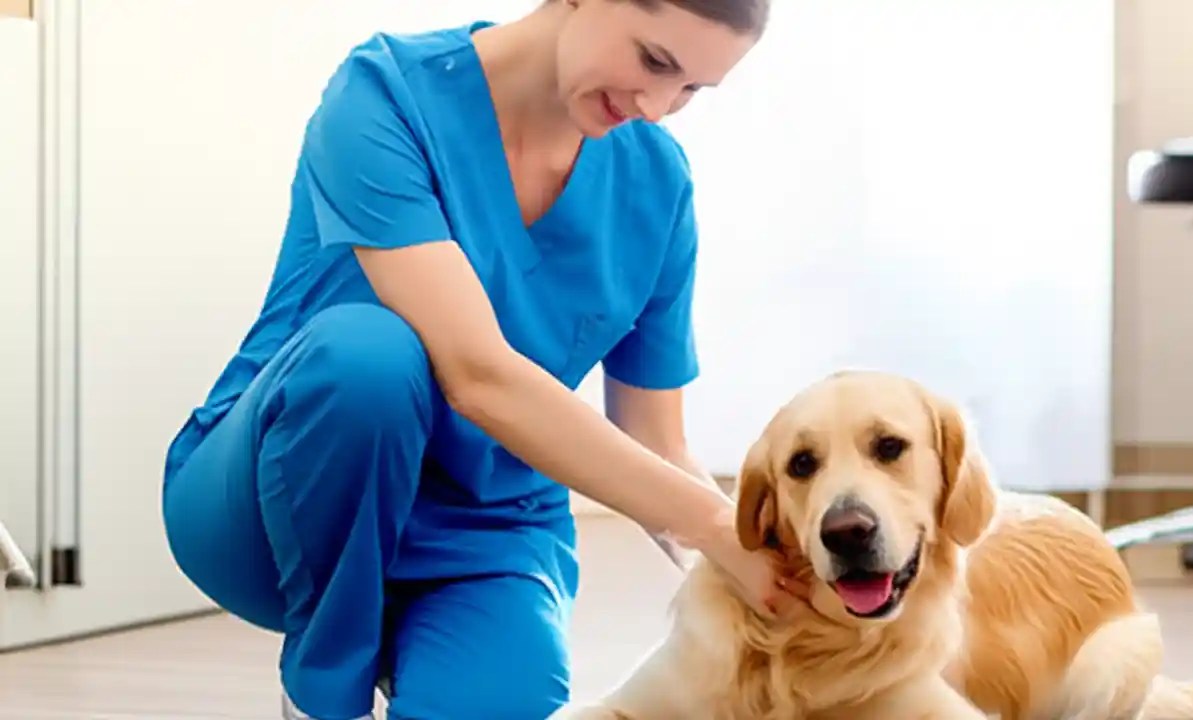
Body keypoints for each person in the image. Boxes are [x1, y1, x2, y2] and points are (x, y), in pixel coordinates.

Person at [160, 1, 803, 718]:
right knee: (370, 357)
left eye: (691, 89)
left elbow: (653, 440)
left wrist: (767, 576)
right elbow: (475, 373)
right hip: (279, 501)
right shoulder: (383, 96)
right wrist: (716, 527)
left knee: (503, 695)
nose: (657, 107)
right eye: (654, 61)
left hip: (482, 533)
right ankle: (322, 689)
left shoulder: (657, 185)